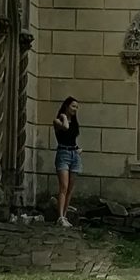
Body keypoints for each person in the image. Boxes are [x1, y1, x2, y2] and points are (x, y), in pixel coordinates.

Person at [53, 97, 81, 228]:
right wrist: (64, 116)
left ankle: (65, 216)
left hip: (74, 154)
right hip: (63, 154)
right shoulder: (58, 121)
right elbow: (65, 127)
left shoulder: (75, 122)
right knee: (63, 187)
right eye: (73, 106)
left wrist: (78, 149)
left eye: (77, 107)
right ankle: (60, 217)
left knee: (70, 188)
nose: (75, 109)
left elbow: (73, 138)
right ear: (66, 106)